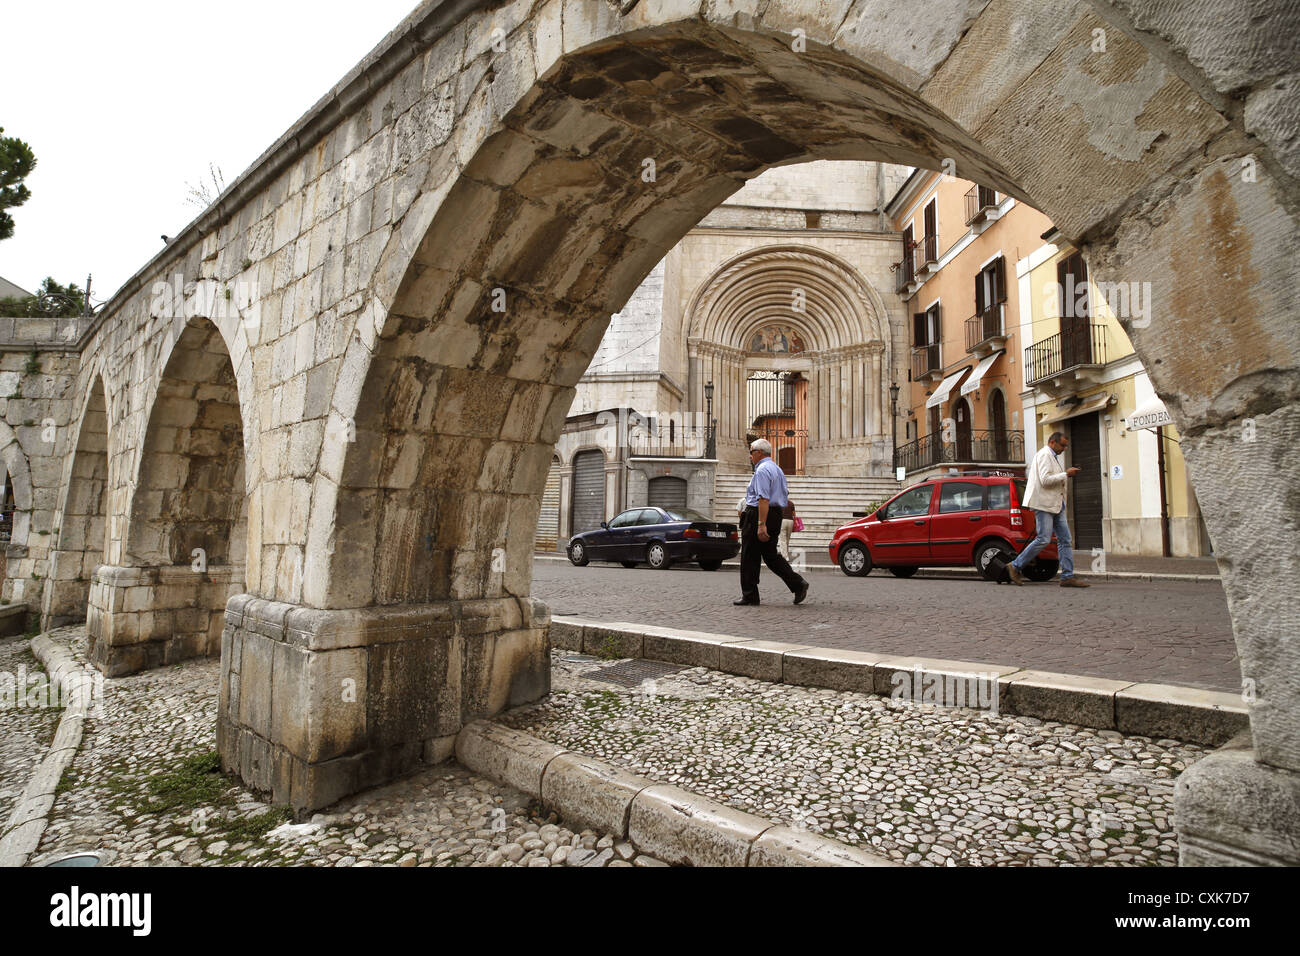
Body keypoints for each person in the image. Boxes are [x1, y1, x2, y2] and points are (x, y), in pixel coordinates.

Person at [1008, 430, 1091, 588]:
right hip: (1044, 504)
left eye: (1066, 446)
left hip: (1055, 504)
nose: (1064, 449)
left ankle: (1067, 576)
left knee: (1065, 539)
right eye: (1062, 445)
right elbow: (1045, 480)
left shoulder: (1052, 456)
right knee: (1044, 539)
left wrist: (1064, 475)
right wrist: (1065, 474)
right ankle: (1015, 565)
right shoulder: (1045, 455)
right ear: (1052, 442)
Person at [735, 439, 809, 605]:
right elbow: (784, 493)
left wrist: (761, 524)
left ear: (759, 453)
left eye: (751, 451)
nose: (750, 456)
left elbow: (763, 498)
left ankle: (750, 595)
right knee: (770, 556)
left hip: (759, 514)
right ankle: (798, 584)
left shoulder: (761, 470)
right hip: (776, 514)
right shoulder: (778, 469)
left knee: (749, 556)